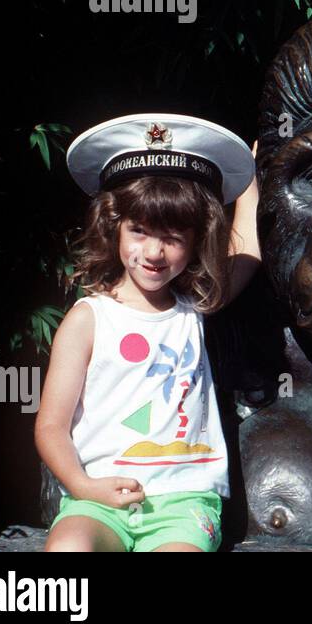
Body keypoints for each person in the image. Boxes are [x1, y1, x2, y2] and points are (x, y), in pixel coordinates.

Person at [36, 113, 259, 552]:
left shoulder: (194, 310)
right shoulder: (87, 319)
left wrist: (249, 181)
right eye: (138, 231)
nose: (154, 252)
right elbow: (50, 427)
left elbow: (248, 252)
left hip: (183, 503)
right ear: (112, 226)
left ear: (196, 240)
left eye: (173, 237)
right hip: (96, 501)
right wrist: (83, 488)